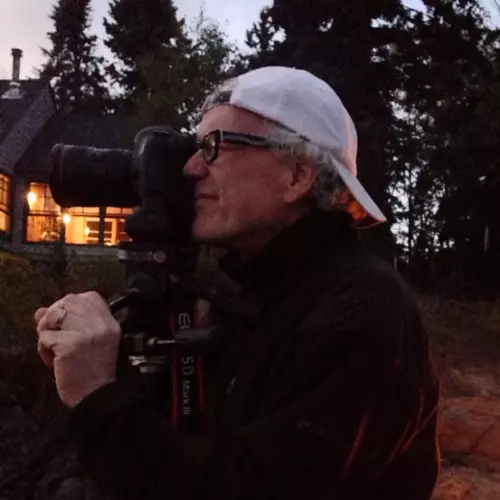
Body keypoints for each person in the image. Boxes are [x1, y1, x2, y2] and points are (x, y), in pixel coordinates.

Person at [34, 66, 440, 500]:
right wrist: (98, 357)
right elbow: (187, 451)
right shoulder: (245, 294)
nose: (190, 168)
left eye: (213, 147)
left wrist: (98, 401)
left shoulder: (364, 310)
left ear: (297, 177)